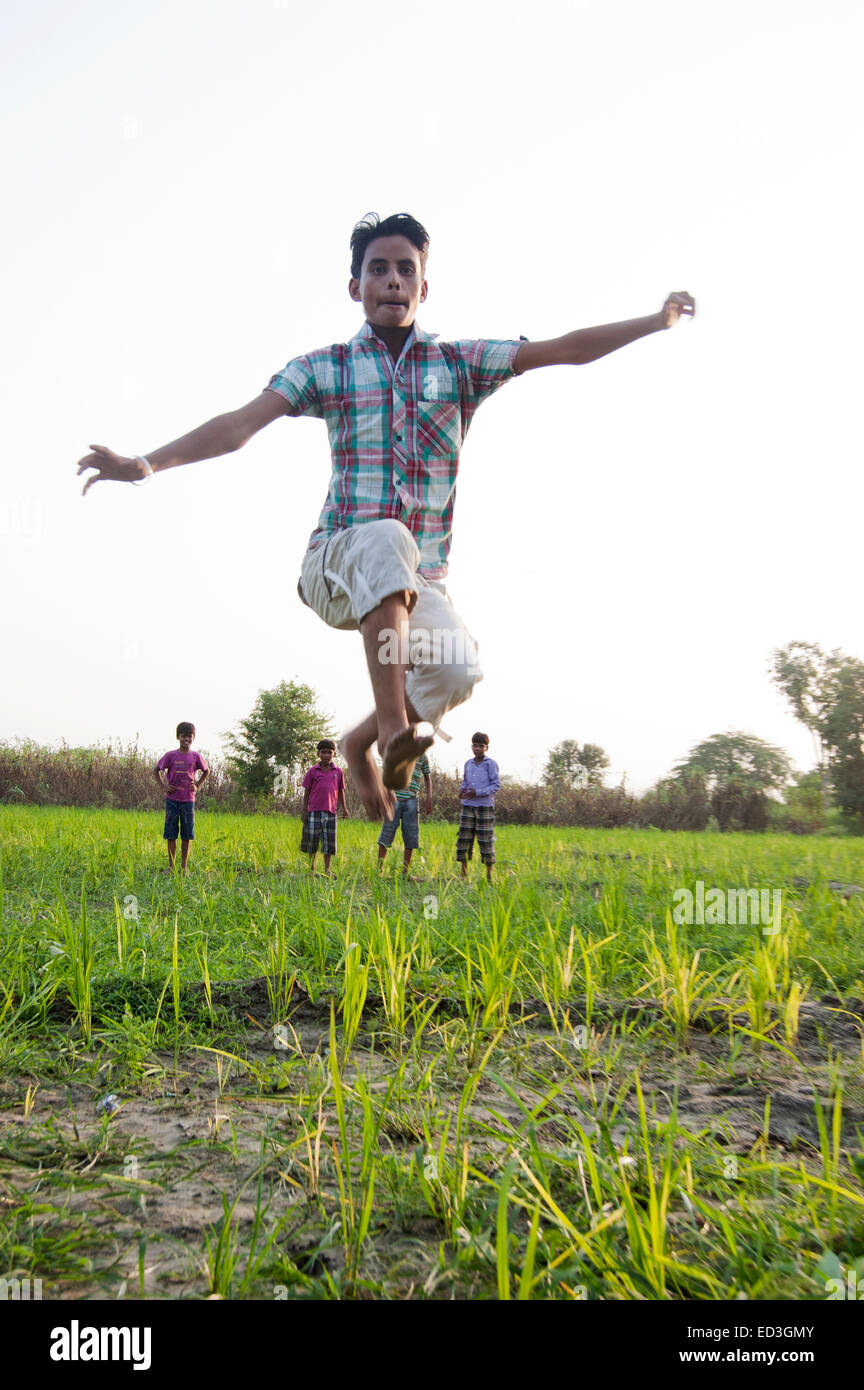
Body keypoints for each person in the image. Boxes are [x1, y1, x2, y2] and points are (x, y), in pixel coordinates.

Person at [78, 213, 695, 819]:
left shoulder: (457, 365)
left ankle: (360, 743)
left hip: (417, 579)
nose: (393, 281)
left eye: (406, 270)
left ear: (424, 288)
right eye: (379, 270)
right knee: (386, 536)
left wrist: (656, 321)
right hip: (336, 564)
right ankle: (397, 731)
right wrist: (146, 465)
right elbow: (239, 426)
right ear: (357, 288)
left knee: (457, 667)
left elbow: (566, 349)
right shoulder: (326, 367)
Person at [154, 722, 209, 873]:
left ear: (193, 738)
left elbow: (206, 771)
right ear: (178, 737)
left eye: (189, 736)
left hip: (188, 801)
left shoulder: (196, 756)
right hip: (172, 800)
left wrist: (197, 785)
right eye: (183, 736)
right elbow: (156, 770)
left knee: (187, 835)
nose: (186, 739)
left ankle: (184, 868)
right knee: (171, 834)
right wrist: (164, 786)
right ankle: (171, 867)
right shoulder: (170, 756)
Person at [377, 751, 432, 877]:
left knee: (411, 837)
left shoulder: (422, 755)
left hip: (412, 800)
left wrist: (429, 797)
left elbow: (427, 778)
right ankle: (378, 870)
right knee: (387, 833)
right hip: (394, 800)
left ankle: (405, 872)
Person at [457, 732, 499, 884]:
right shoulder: (468, 763)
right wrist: (462, 791)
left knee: (485, 839)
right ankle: (463, 872)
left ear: (486, 747)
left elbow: (496, 785)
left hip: (484, 806)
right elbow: (465, 781)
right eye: (475, 745)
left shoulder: (490, 764)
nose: (478, 748)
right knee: (464, 838)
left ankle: (489, 875)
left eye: (481, 746)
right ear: (471, 746)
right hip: (468, 806)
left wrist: (478, 793)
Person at [300, 739, 347, 875]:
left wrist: (344, 808)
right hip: (314, 811)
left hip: (331, 812)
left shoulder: (338, 772)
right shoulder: (313, 771)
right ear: (318, 754)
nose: (326, 755)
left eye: (329, 752)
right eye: (323, 752)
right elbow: (307, 792)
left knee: (329, 843)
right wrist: (304, 811)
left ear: (334, 754)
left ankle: (327, 870)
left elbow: (341, 791)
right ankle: (312, 869)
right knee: (312, 841)